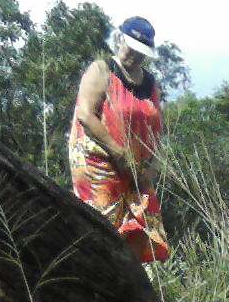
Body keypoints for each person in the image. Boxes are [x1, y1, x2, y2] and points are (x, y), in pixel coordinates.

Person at [68, 16, 169, 263]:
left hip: (136, 170)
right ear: (120, 40)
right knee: (104, 228)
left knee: (144, 225)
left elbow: (156, 125)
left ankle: (129, 283)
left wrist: (152, 165)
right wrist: (117, 152)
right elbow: (85, 114)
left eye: (140, 52)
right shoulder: (102, 70)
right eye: (131, 48)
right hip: (100, 160)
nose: (134, 56)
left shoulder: (150, 82)